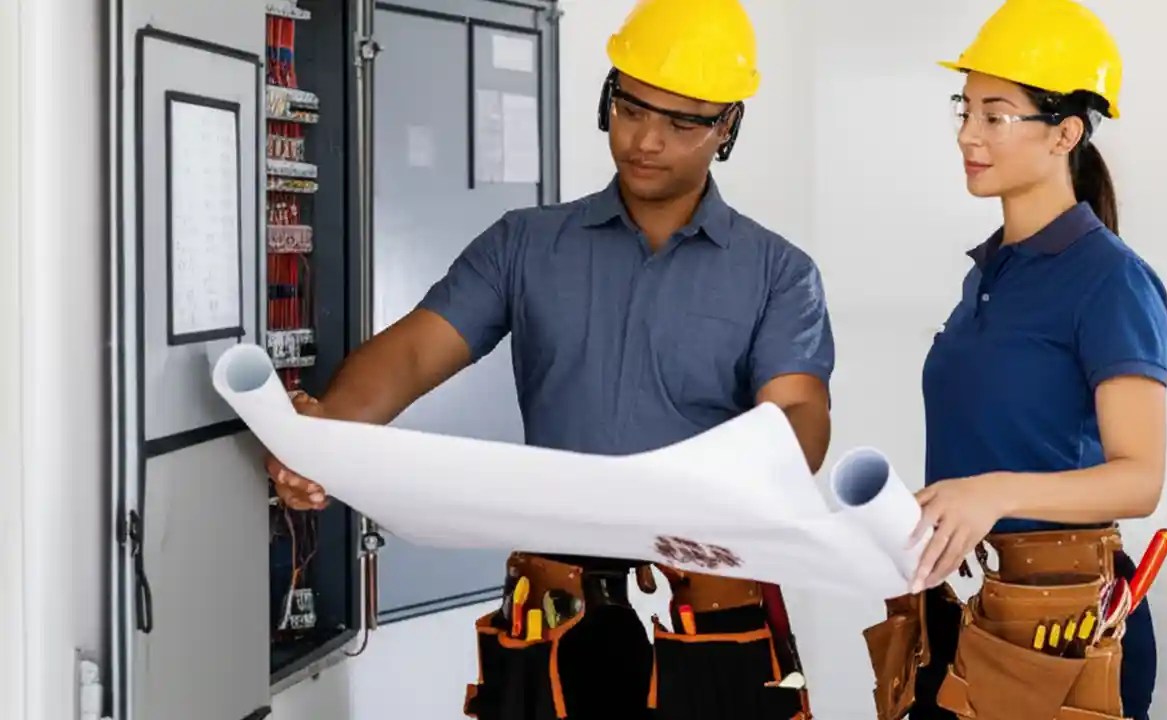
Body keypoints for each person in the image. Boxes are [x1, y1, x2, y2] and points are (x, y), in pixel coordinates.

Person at [267, 0, 833, 717]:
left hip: (707, 612)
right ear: (607, 101)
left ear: (727, 127)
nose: (647, 139)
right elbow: (411, 355)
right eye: (630, 109)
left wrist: (771, 460)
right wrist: (322, 440)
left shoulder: (778, 273)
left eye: (682, 121)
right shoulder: (526, 246)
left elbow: (798, 409)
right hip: (556, 615)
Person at [861, 2, 1167, 720]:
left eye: (995, 115)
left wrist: (990, 492)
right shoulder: (989, 274)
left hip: (1055, 636)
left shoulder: (1111, 279)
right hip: (967, 617)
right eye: (963, 109)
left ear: (1065, 133)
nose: (968, 134)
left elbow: (1140, 478)